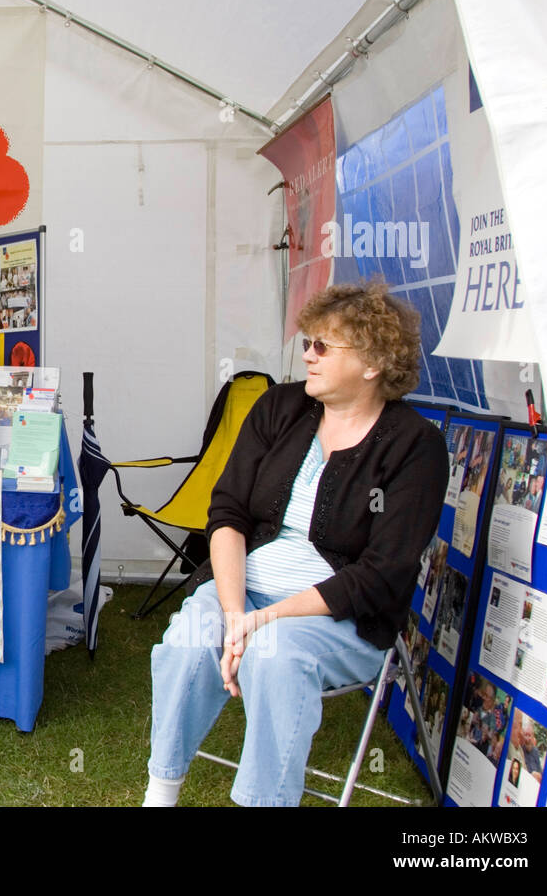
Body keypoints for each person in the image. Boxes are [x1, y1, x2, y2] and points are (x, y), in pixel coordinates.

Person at [143, 281, 448, 806]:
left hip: (337, 618)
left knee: (276, 653)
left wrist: (261, 623)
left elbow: (382, 573)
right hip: (243, 592)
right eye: (308, 341)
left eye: (324, 346)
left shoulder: (415, 446)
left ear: (373, 363)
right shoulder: (279, 408)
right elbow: (228, 514)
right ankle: (161, 792)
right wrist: (236, 611)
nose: (308, 354)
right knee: (190, 636)